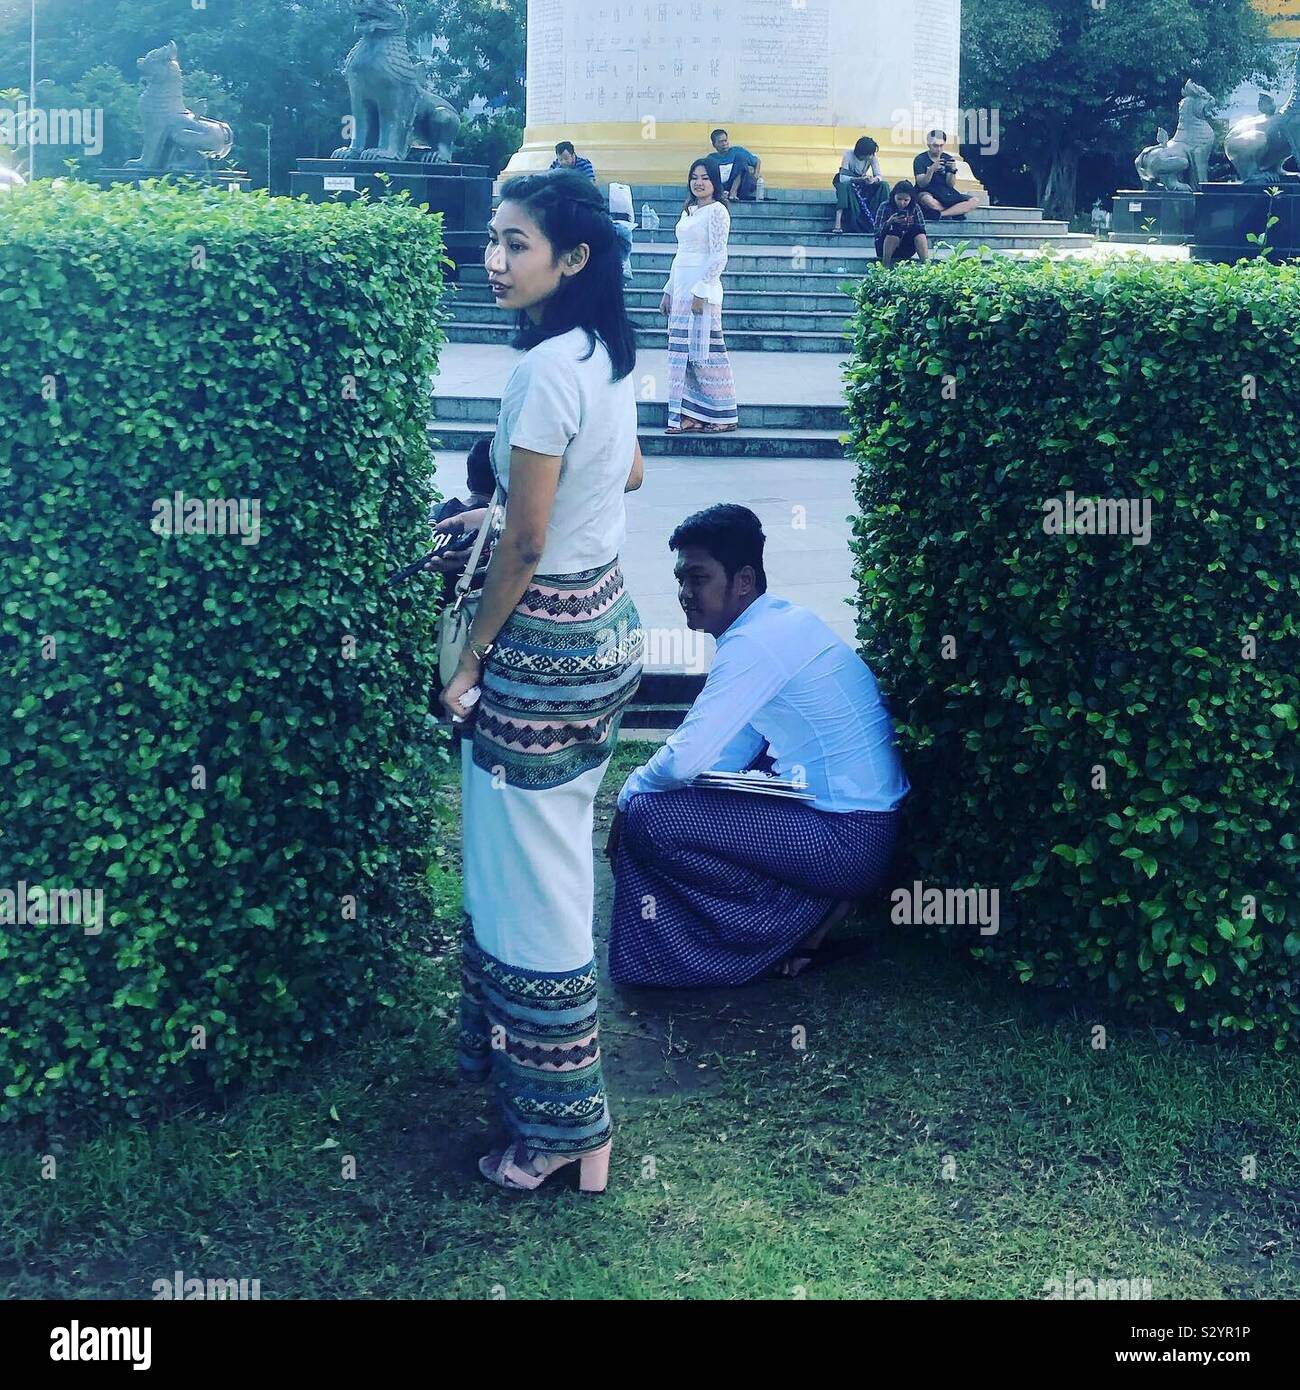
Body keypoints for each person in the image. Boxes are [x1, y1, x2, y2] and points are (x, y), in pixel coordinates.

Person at [441, 169, 646, 1194]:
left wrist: (470, 656)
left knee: (531, 892)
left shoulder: (544, 371)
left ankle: (568, 1128)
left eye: (515, 244)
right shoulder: (605, 353)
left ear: (572, 258)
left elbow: (523, 545)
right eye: (492, 239)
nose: (494, 260)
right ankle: (528, 1085)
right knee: (542, 867)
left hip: (538, 656)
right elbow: (630, 472)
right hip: (603, 632)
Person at [606, 505, 909, 986]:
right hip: (857, 830)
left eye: (699, 578)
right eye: (681, 579)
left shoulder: (756, 642)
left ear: (743, 581)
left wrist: (629, 794)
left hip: (848, 839)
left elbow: (683, 760)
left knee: (650, 817)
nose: (685, 593)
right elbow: (724, 748)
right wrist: (673, 788)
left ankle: (786, 923)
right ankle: (795, 913)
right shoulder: (776, 625)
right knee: (673, 796)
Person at [660, 161, 739, 435]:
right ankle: (690, 415)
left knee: (707, 354)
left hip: (703, 292)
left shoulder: (717, 211)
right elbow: (680, 254)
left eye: (705, 178)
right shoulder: (689, 211)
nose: (699, 183)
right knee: (682, 354)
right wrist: (669, 290)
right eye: (694, 177)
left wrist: (701, 290)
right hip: (681, 288)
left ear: (715, 182)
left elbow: (719, 256)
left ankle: (723, 414)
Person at [912, 130, 978, 221]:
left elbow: (950, 185)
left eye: (941, 145)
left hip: (945, 193)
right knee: (928, 200)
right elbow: (922, 184)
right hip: (927, 191)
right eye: (935, 146)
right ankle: (955, 212)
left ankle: (941, 214)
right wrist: (931, 170)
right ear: (928, 144)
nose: (939, 149)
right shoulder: (920, 159)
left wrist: (952, 171)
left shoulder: (947, 158)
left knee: (974, 201)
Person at [833, 136, 888, 234]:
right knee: (843, 187)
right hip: (849, 184)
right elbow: (843, 178)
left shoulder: (872, 158)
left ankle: (885, 218)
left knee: (884, 185)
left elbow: (879, 176)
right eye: (869, 154)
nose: (871, 156)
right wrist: (859, 180)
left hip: (864, 184)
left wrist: (873, 180)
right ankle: (838, 224)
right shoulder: (848, 155)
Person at [874, 181, 930, 268]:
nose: (902, 203)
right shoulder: (885, 206)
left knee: (919, 230)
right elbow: (877, 231)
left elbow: (922, 229)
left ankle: (926, 265)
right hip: (886, 245)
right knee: (894, 231)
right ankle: (885, 266)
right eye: (899, 199)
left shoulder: (915, 207)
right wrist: (889, 222)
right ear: (894, 196)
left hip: (907, 246)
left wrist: (909, 224)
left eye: (906, 200)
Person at [705, 129, 761, 203]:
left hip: (741, 187)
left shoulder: (737, 151)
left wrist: (756, 174)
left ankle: (733, 193)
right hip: (724, 187)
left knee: (740, 158)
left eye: (725, 141)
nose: (724, 144)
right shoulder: (711, 158)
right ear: (714, 144)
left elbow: (757, 161)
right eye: (720, 142)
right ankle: (723, 194)